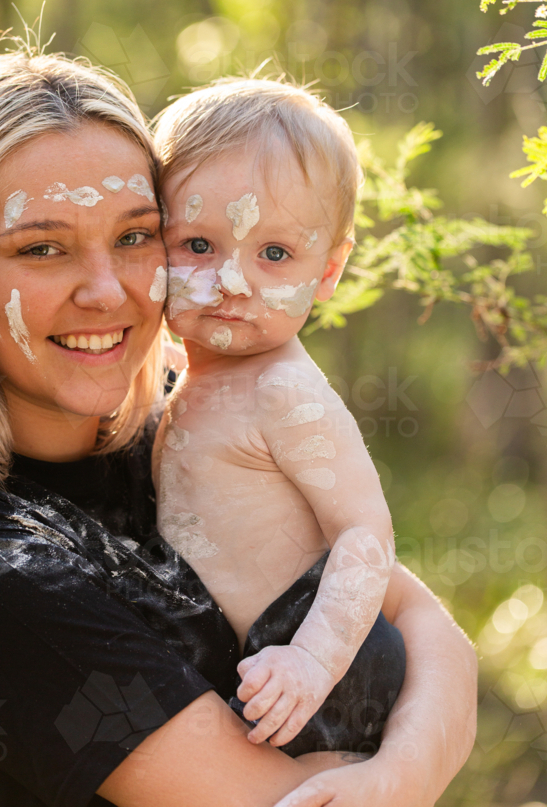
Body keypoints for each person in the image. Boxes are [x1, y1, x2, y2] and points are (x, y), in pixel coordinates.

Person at [0, 49, 476, 807]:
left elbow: (423, 624)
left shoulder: (177, 412)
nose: (107, 292)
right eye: (42, 247)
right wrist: (403, 758)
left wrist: (399, 773)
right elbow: (266, 801)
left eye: (135, 236)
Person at [152, 77, 404, 754]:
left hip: (316, 660)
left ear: (327, 270)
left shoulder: (282, 390)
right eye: (198, 246)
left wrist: (313, 662)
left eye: (273, 254)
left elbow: (363, 530)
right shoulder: (175, 370)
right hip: (246, 663)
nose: (232, 282)